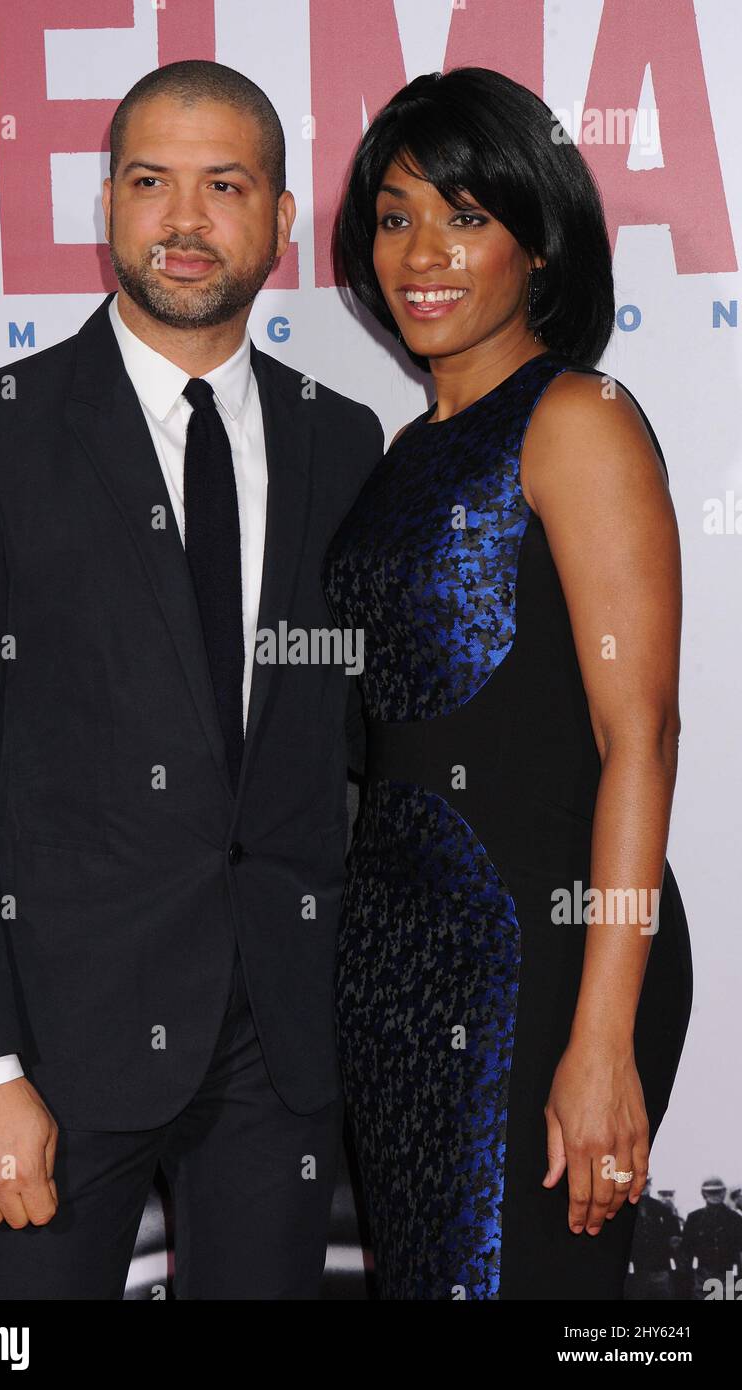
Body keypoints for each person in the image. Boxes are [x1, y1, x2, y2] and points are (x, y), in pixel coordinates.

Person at [0, 60, 382, 1300]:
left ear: (276, 220)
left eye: (226, 185)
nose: (186, 220)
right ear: (106, 204)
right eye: (151, 182)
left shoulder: (344, 439)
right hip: (49, 1056)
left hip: (280, 1055)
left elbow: (346, 756)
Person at [322, 66, 693, 1299]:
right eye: (393, 215)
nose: (421, 252)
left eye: (466, 215)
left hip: (543, 949)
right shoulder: (403, 453)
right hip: (396, 954)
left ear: (538, 245)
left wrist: (602, 1041)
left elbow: (639, 735)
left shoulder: (575, 416)